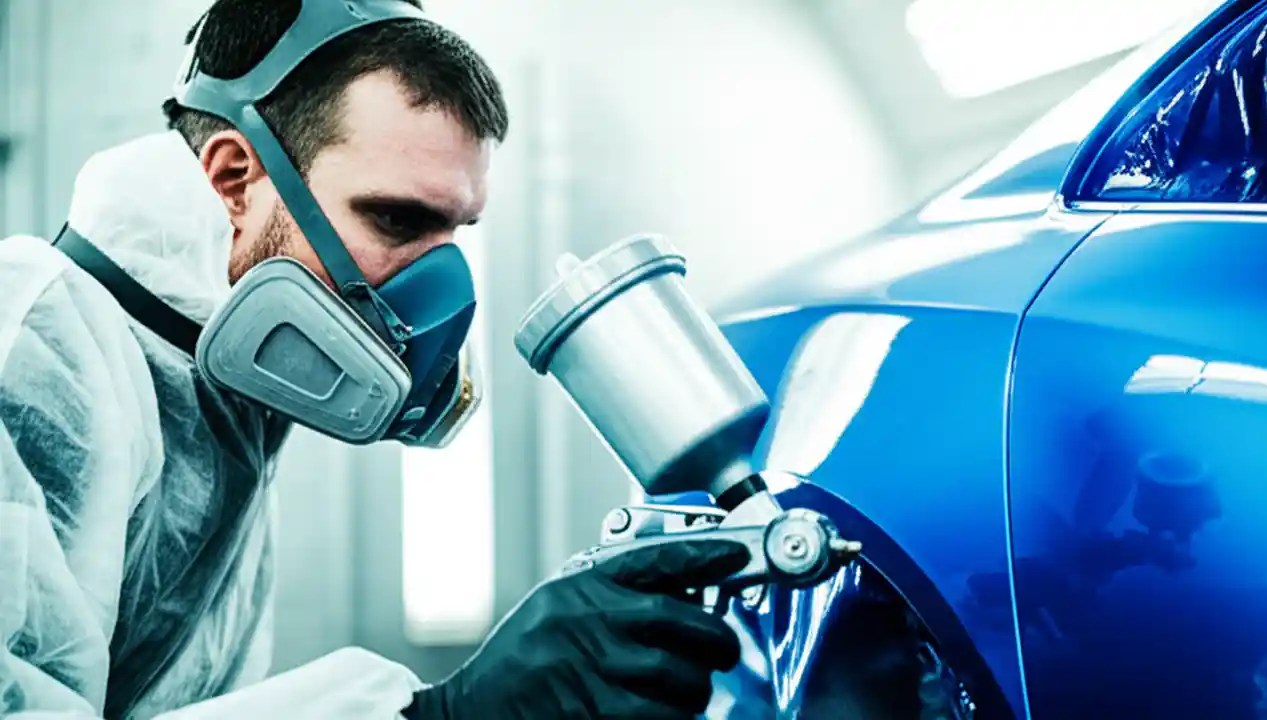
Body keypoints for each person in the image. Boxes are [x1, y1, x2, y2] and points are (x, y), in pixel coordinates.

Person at [0, 0, 750, 717]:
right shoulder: (36, 346)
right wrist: (434, 717)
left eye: (455, 235)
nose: (439, 294)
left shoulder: (222, 397)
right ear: (233, 179)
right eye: (395, 218)